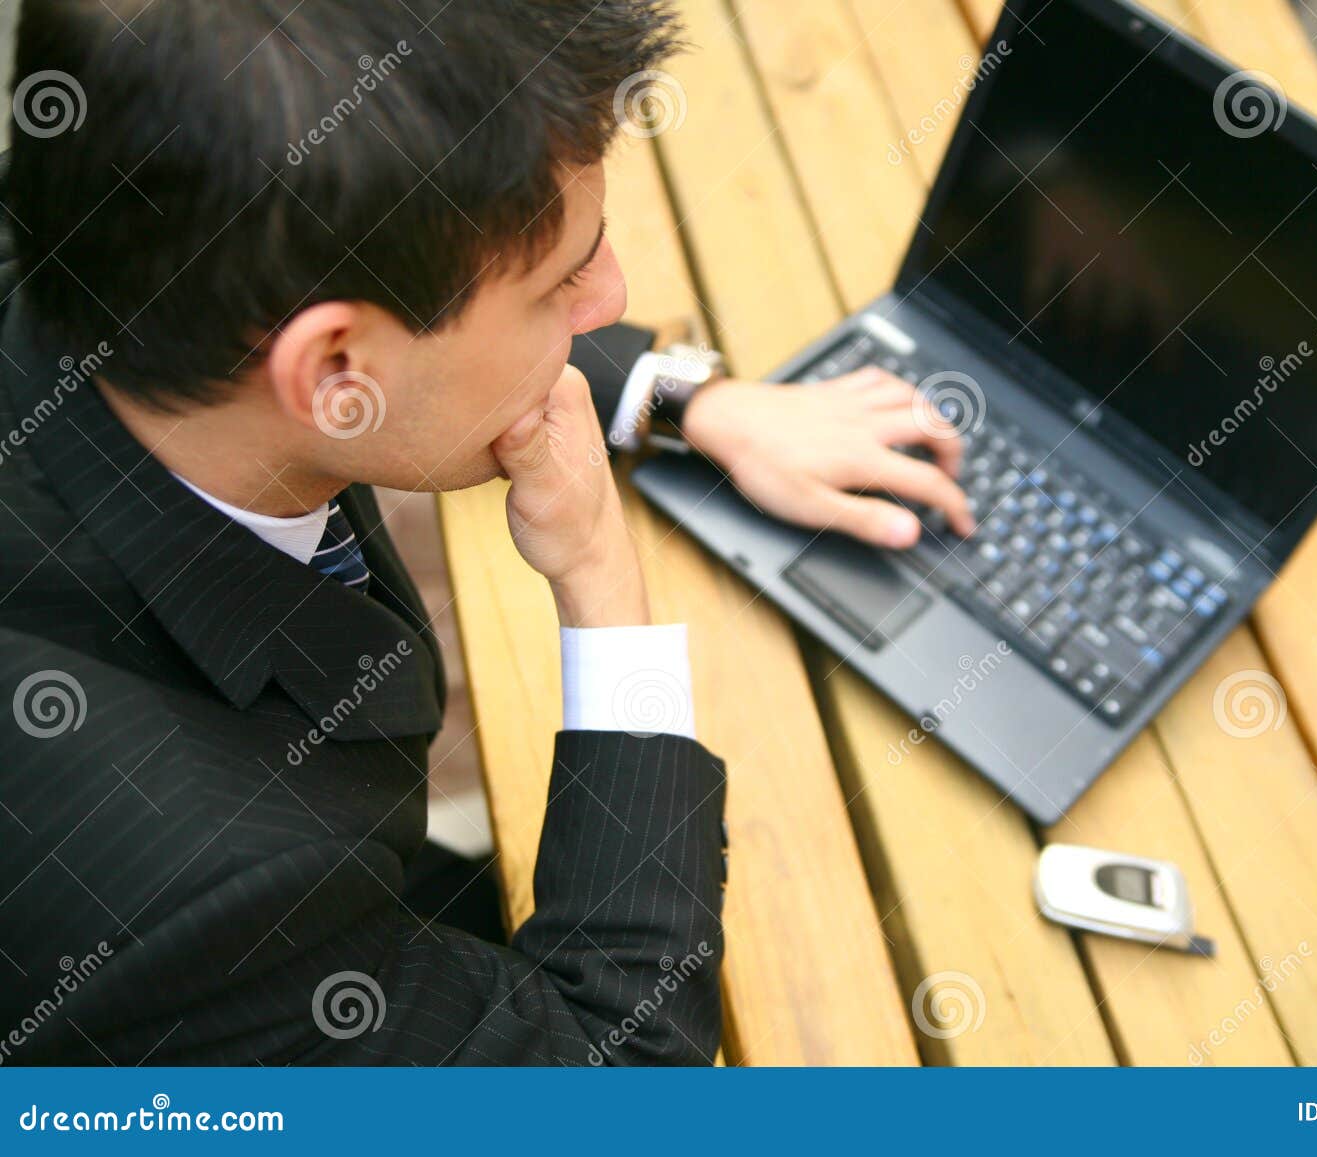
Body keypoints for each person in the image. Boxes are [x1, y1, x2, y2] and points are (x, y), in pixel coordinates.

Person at [0, 0, 971, 1064]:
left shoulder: (112, 201)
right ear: (332, 372)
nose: (610, 297)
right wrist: (602, 582)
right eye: (562, 282)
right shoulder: (189, 900)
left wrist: (685, 400)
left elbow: (377, 284)